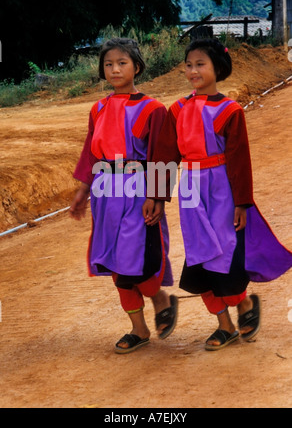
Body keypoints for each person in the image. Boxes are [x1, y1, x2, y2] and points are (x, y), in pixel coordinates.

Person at [151, 38, 292, 351]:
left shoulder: (230, 110)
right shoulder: (176, 109)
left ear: (218, 68)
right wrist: (156, 196)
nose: (193, 70)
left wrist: (242, 203)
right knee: (199, 257)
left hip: (221, 189)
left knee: (225, 253)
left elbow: (240, 161)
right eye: (188, 64)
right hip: (190, 186)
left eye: (200, 64)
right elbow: (165, 155)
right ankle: (225, 326)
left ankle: (242, 304)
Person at [70, 37, 178, 354]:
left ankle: (159, 297)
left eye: (122, 63)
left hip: (138, 190)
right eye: (108, 64)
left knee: (139, 261)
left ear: (137, 67)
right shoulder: (98, 109)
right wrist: (83, 191)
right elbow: (91, 155)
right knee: (116, 263)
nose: (115, 69)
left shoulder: (153, 109)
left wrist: (156, 197)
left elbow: (163, 156)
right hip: (106, 195)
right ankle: (138, 329)